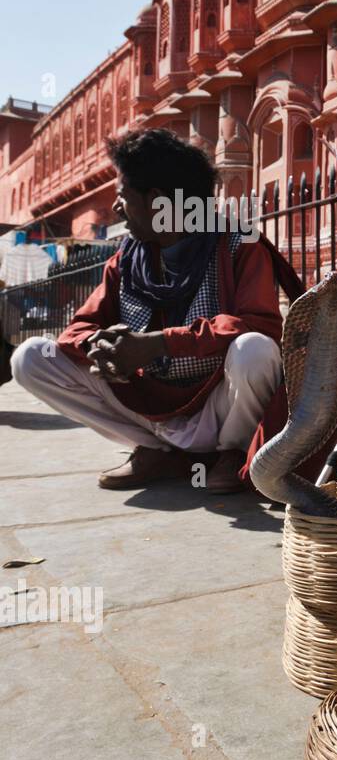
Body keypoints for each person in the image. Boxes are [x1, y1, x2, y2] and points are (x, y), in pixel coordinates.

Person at [11, 128, 284, 493]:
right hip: (147, 401)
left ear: (156, 202)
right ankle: (159, 451)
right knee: (30, 358)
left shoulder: (238, 246)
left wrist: (159, 344)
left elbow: (259, 324)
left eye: (123, 196)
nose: (117, 208)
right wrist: (100, 344)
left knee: (255, 349)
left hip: (219, 406)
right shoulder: (126, 258)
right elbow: (77, 329)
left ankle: (232, 453)